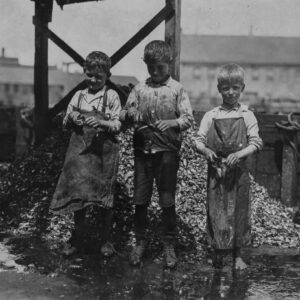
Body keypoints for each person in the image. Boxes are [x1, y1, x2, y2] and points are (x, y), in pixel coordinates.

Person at [120, 40, 194, 268]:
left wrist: (172, 122)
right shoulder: (139, 89)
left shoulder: (177, 90)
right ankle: (140, 243)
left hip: (167, 154)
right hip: (142, 153)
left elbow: (188, 119)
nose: (154, 72)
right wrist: (130, 114)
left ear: (169, 64)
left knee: (167, 201)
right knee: (140, 201)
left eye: (159, 68)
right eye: (150, 68)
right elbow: (123, 116)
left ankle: (169, 246)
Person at [50, 51, 121, 257]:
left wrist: (101, 122)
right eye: (89, 75)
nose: (93, 80)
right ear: (84, 73)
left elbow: (117, 124)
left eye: (98, 77)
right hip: (80, 153)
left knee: (103, 198)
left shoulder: (111, 96)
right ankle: (77, 238)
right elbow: (65, 124)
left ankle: (106, 240)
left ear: (108, 75)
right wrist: (71, 116)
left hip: (103, 154)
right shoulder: (79, 95)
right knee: (78, 195)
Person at [194, 63, 263, 270]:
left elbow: (256, 143)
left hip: (239, 172)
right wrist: (206, 151)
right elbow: (197, 140)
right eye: (226, 88)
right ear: (219, 89)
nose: (231, 92)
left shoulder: (247, 115)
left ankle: (238, 255)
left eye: (235, 87)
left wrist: (239, 154)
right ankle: (218, 252)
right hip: (216, 172)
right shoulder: (211, 115)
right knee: (216, 210)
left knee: (239, 212)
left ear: (242, 88)